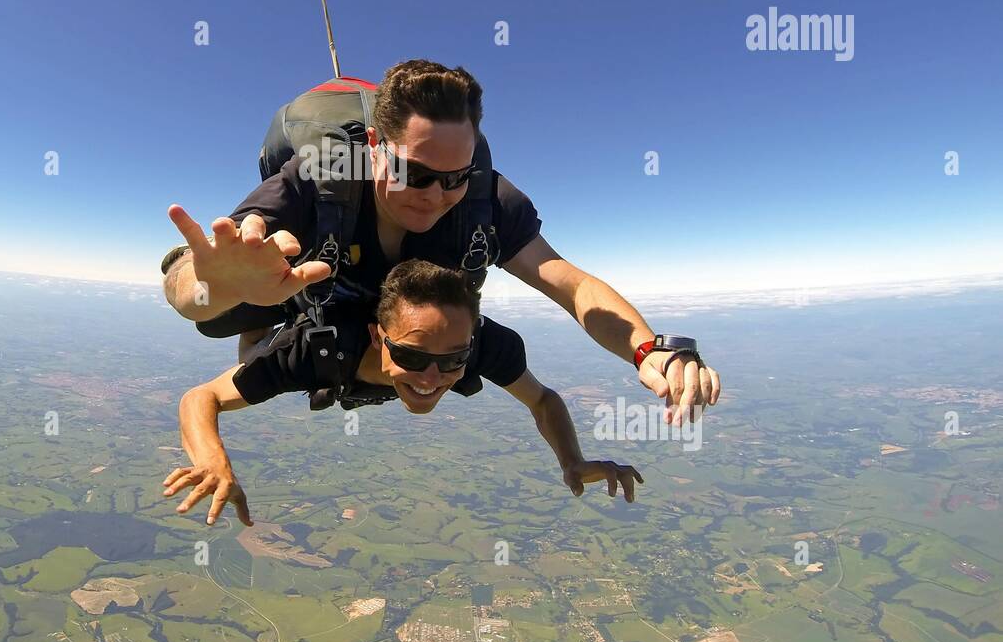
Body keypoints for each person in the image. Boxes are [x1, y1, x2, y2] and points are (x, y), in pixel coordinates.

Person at [163, 59, 722, 425]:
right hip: (311, 279)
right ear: (376, 147)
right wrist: (209, 283)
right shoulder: (319, 179)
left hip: (393, 303)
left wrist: (649, 349)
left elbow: (571, 285)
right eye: (415, 173)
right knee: (230, 307)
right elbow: (185, 281)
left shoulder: (487, 204)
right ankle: (258, 315)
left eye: (454, 177)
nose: (435, 195)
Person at [163, 260, 644, 526]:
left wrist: (571, 461)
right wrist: (212, 460)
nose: (432, 377)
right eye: (412, 357)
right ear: (377, 336)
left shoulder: (483, 346)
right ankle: (190, 266)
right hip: (303, 317)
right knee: (231, 332)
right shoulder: (315, 353)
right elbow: (199, 398)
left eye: (452, 360)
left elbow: (543, 400)